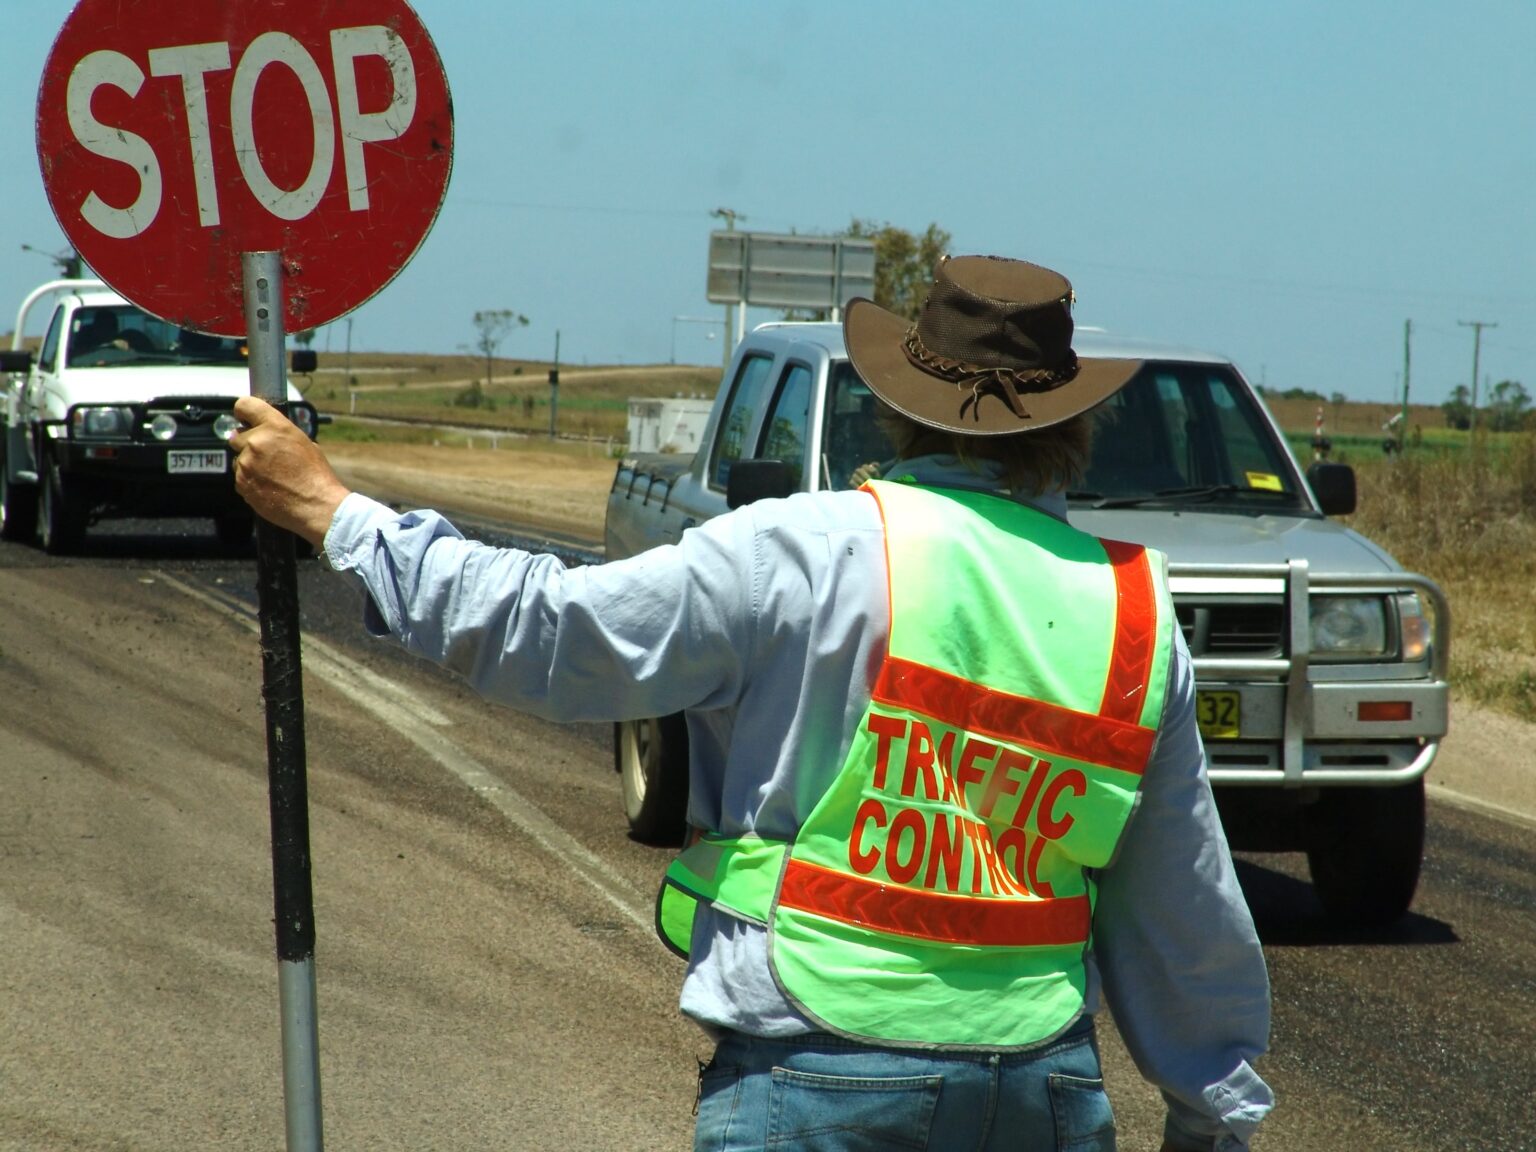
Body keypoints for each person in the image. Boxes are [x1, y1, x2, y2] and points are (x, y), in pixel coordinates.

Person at [229, 254, 1274, 1152]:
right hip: (1039, 1084)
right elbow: (1184, 906)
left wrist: (341, 517)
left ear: (898, 404)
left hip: (817, 1071)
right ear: (1074, 425)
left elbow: (553, 633)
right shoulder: (1132, 611)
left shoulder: (801, 552)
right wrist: (1210, 1117)